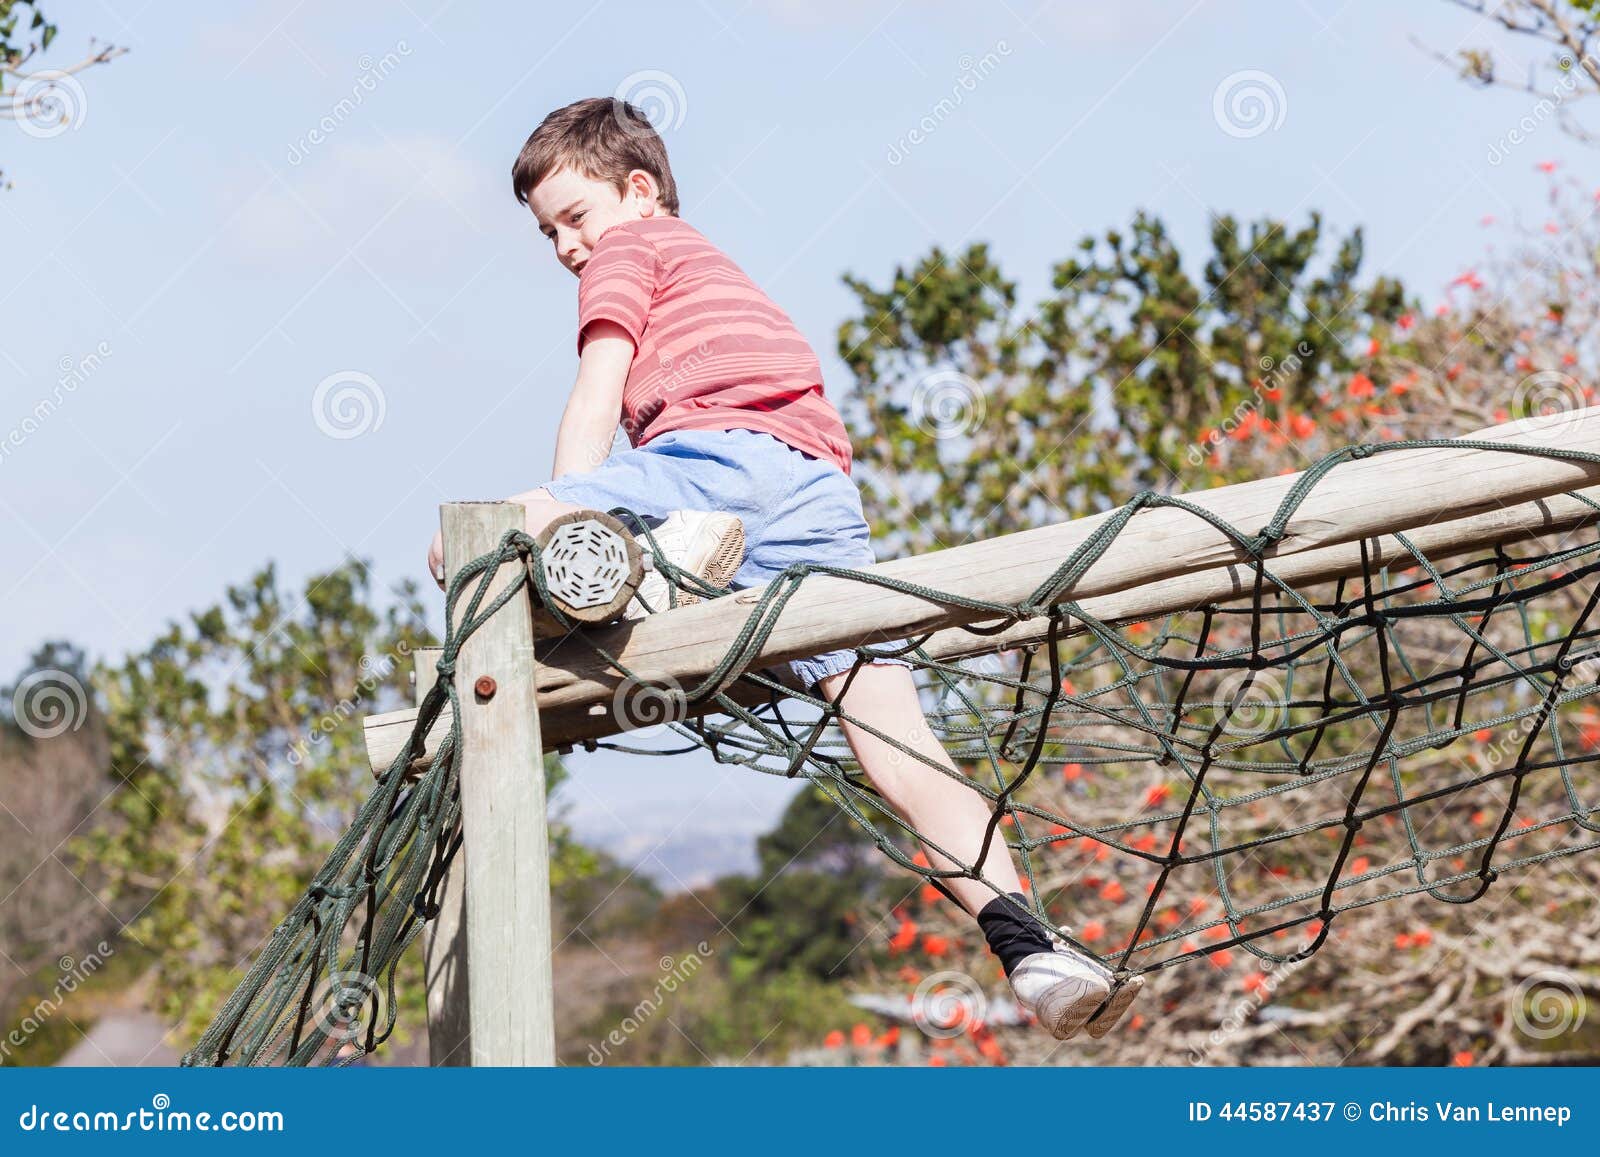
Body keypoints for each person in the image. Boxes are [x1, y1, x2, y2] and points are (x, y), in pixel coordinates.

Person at [424, 97, 1141, 1041]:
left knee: (481, 543)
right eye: (548, 232)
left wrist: (554, 514)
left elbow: (597, 388)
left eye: (574, 217)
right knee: (901, 744)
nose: (565, 245)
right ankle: (1031, 944)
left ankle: (653, 567)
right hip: (818, 496)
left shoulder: (633, 249)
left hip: (718, 464)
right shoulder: (713, 268)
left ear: (638, 192)